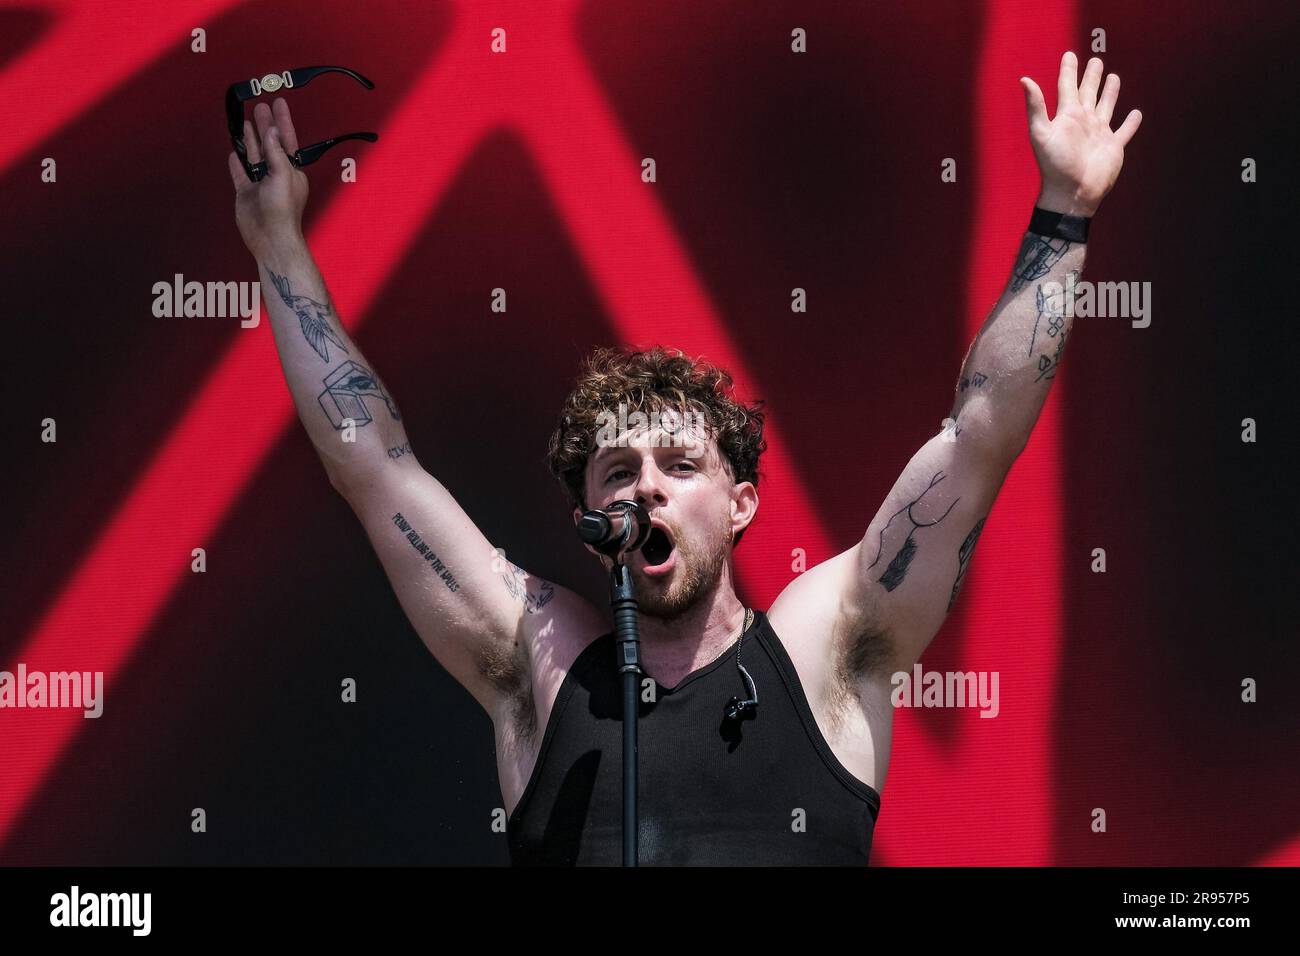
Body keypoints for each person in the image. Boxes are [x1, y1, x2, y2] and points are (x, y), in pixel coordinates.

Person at [228, 51, 1141, 865]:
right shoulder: (538, 656)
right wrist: (277, 241)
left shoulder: (828, 643)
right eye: (618, 472)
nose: (647, 487)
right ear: (589, 515)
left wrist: (1064, 212)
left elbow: (978, 437)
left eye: (679, 465)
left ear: (742, 503)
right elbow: (375, 466)